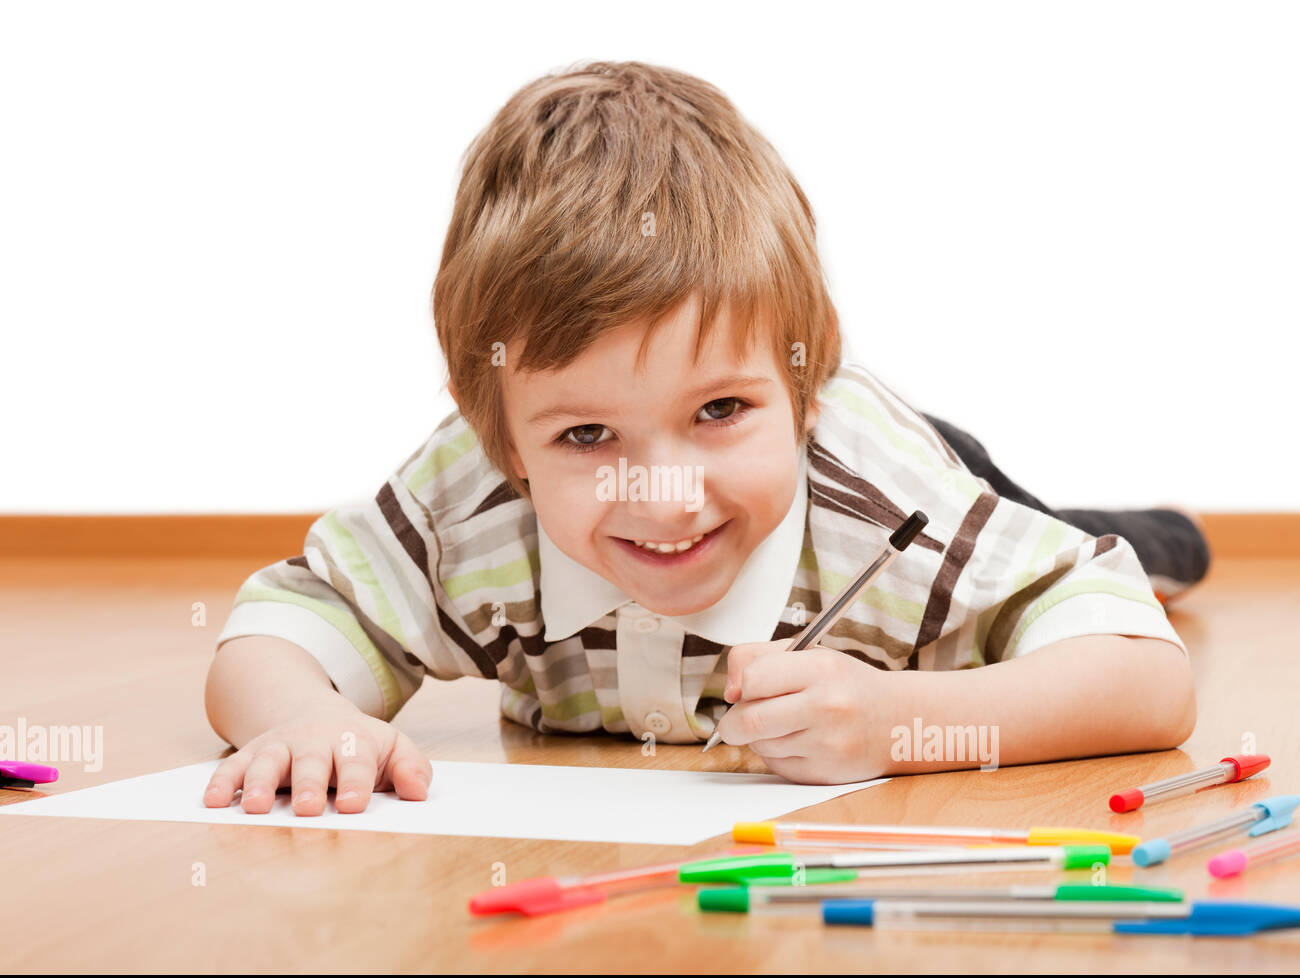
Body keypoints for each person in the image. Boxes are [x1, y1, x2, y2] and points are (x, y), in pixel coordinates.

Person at [203, 60, 1207, 813]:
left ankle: (1145, 536)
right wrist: (305, 717)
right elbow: (276, 632)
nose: (663, 497)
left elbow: (1146, 681)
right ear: (504, 445)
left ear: (803, 391)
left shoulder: (895, 505)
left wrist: (896, 725)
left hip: (911, 478)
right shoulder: (464, 505)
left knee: (1073, 560)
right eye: (588, 435)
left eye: (717, 410)